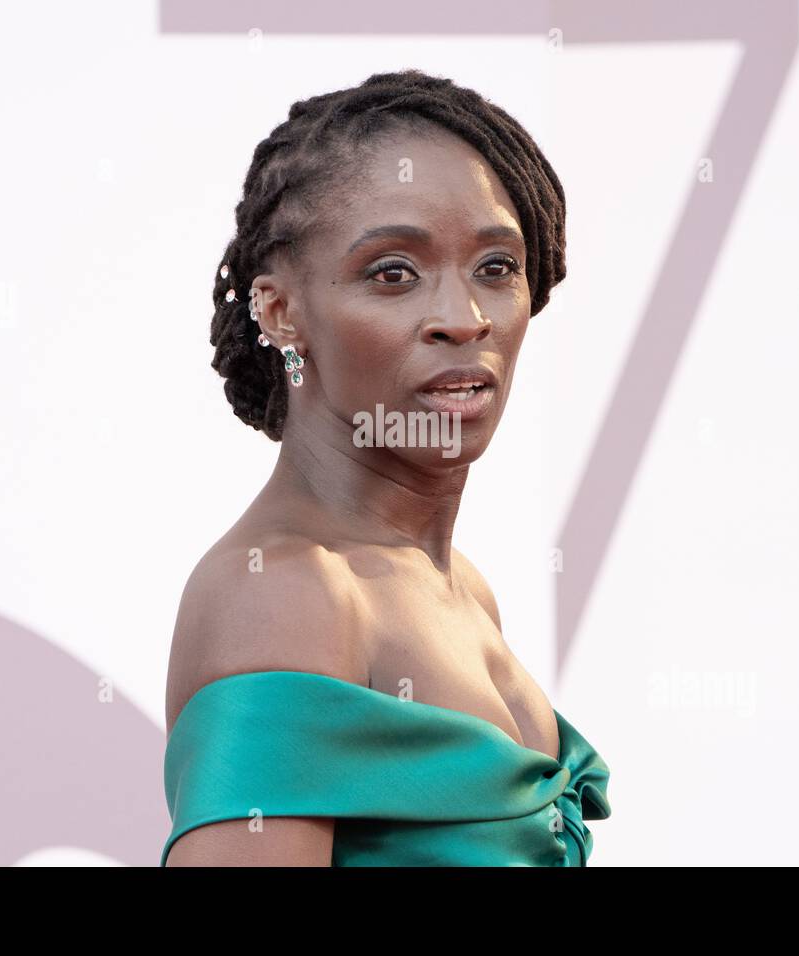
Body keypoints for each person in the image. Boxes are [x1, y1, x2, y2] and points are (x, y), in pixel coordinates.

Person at [162, 68, 610, 866]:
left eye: (496, 268)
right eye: (393, 273)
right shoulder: (286, 590)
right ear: (281, 312)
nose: (462, 318)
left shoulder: (462, 589)